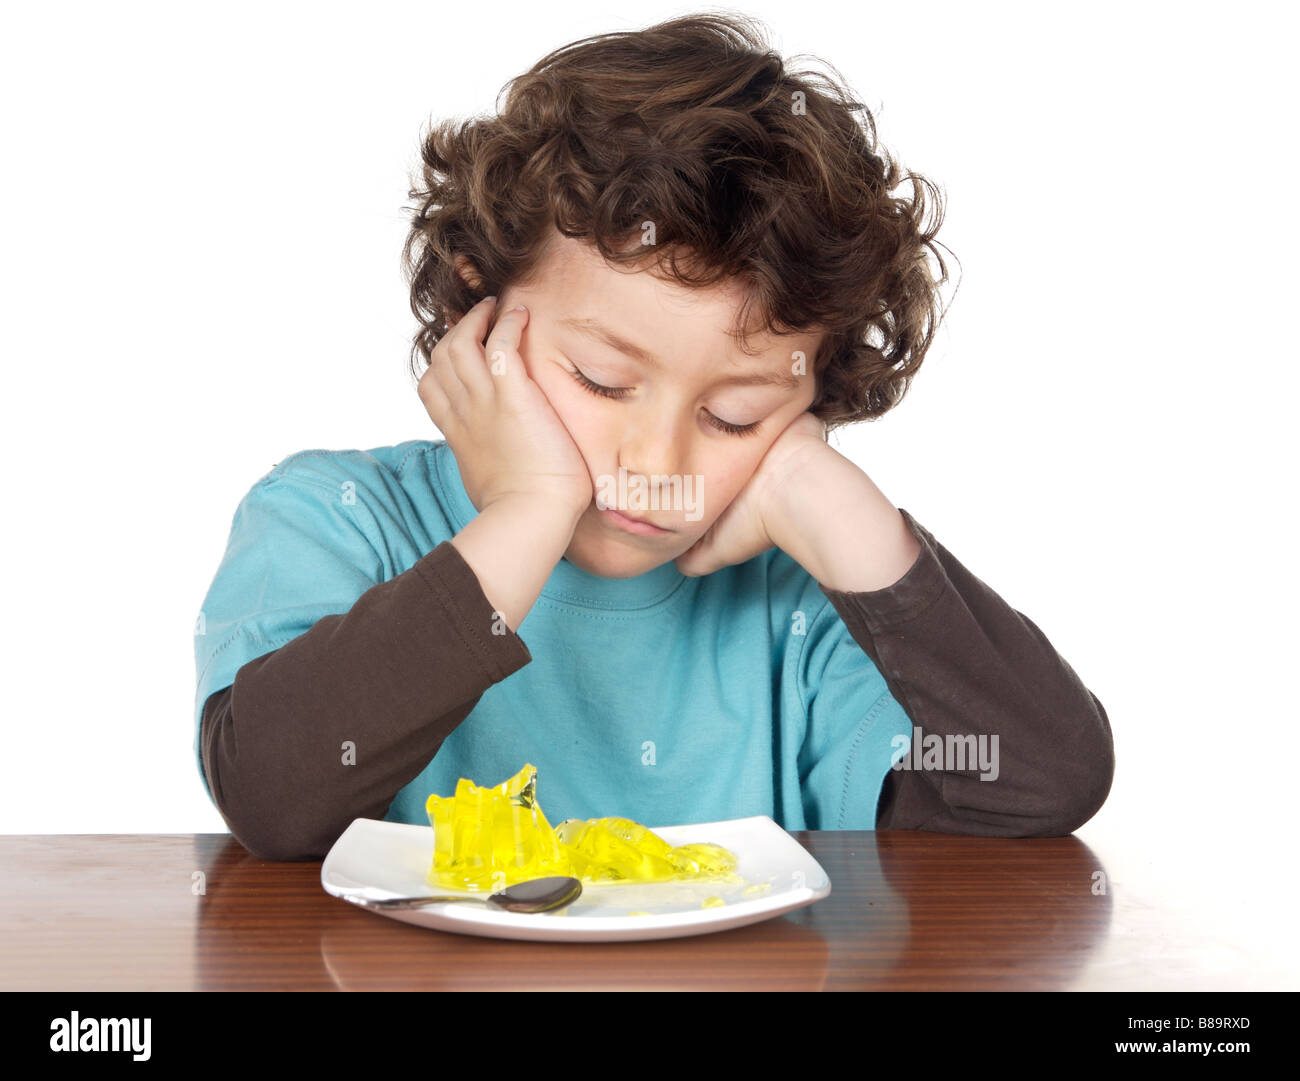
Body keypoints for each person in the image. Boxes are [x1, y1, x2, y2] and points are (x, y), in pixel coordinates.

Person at [193, 12, 1113, 861]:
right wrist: (527, 513)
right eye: (601, 379)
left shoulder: (800, 617)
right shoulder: (332, 521)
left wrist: (835, 506)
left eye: (734, 416)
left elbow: (1035, 779)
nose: (656, 463)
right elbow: (272, 794)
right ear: (479, 310)